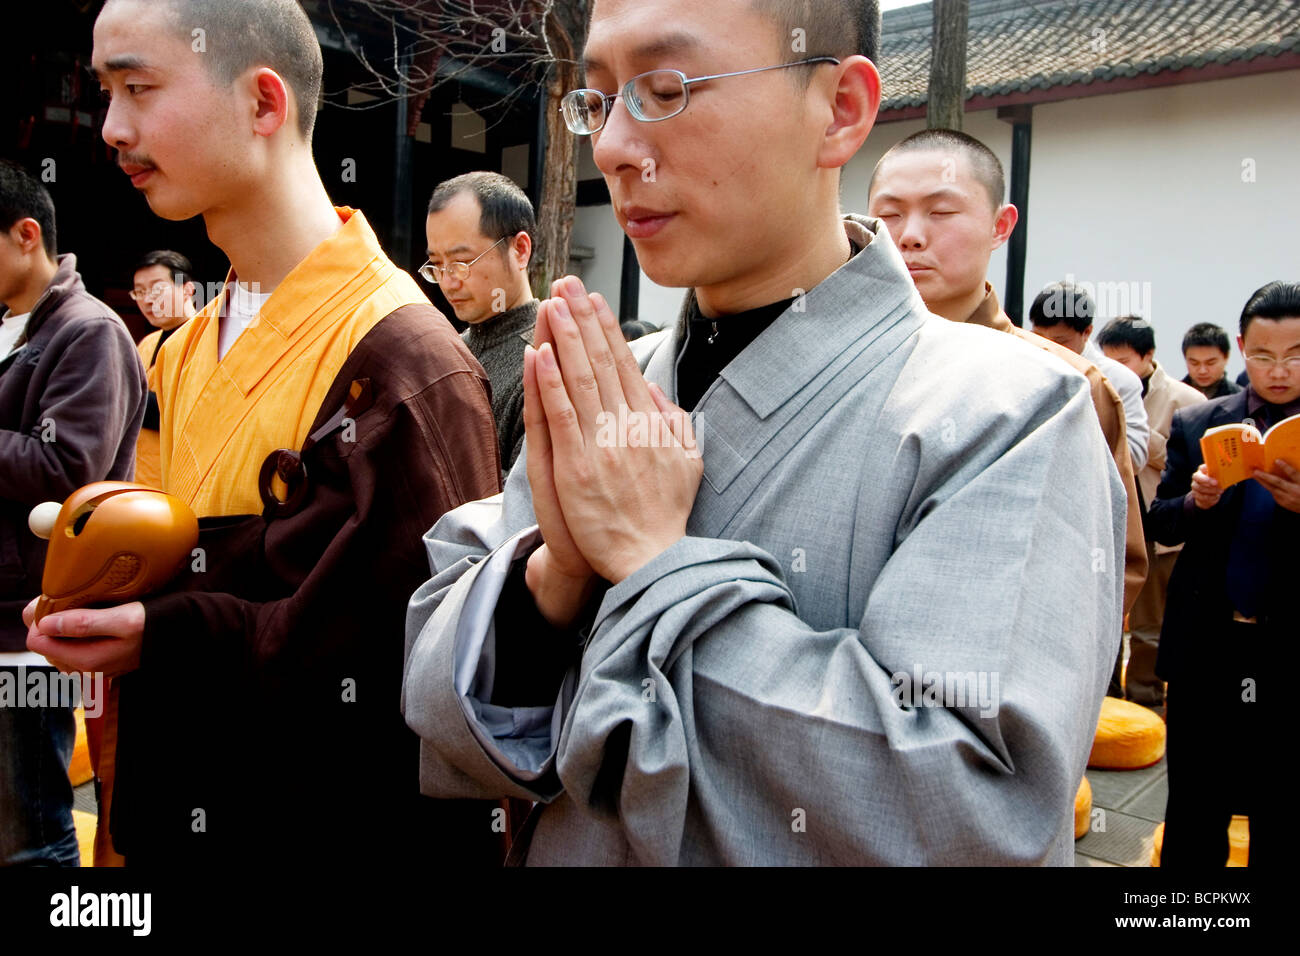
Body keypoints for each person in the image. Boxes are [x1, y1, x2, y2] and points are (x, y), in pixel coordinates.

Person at [403, 0, 1124, 865]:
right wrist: (555, 575)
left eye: (666, 89)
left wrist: (652, 565)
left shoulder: (1011, 412)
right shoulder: (616, 384)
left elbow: (975, 809)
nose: (617, 148)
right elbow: (436, 689)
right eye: (597, 99)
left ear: (839, 110)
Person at [25, 0, 503, 867]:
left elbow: (421, 673)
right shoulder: (177, 353)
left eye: (137, 87)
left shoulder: (404, 358)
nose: (112, 129)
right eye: (105, 92)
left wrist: (160, 631)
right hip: (170, 809)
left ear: (264, 104)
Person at [867, 129, 1146, 618]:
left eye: (941, 212)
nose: (910, 234)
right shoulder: (839, 365)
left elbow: (1111, 569)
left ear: (1000, 226)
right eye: (889, 214)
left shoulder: (1066, 385)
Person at [0, 159, 145, 865]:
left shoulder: (89, 332)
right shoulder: (12, 327)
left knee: (31, 828)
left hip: (30, 616)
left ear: (26, 235)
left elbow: (66, 473)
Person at [1148, 281, 1300, 865]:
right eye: (1263, 356)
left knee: (1281, 802)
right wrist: (1196, 503)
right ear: (1242, 347)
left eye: (1293, 356)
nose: (1278, 371)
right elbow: (1160, 523)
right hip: (1207, 645)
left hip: (1284, 649)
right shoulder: (1200, 424)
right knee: (1194, 799)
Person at [1097, 316, 1205, 710]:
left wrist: (1136, 430)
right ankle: (1104, 698)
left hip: (1159, 527)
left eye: (1123, 360)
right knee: (1106, 617)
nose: (1115, 369)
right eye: (1108, 359)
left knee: (1149, 626)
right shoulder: (1095, 384)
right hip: (1114, 521)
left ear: (1148, 357)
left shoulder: (1187, 402)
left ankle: (1144, 700)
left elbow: (1195, 464)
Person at [425, 172, 537, 472]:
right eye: (436, 265)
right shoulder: (448, 351)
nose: (448, 283)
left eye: (461, 264)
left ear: (519, 250)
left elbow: (527, 501)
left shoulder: (544, 361)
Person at [1029, 281, 1150, 472]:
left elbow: (1135, 457)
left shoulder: (1118, 380)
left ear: (1087, 332)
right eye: (1037, 336)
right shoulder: (1026, 366)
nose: (1047, 347)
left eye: (1060, 341)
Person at [129, 249, 197, 488]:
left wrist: (119, 395)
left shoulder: (207, 339)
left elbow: (189, 414)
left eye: (157, 289)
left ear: (187, 289)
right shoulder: (146, 343)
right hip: (137, 478)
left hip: (180, 482)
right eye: (139, 291)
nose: (147, 299)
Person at [1181, 322, 1242, 399]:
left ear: (1226, 357)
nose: (1202, 371)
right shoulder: (1173, 397)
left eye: (1210, 363)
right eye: (1194, 363)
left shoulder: (1241, 399)